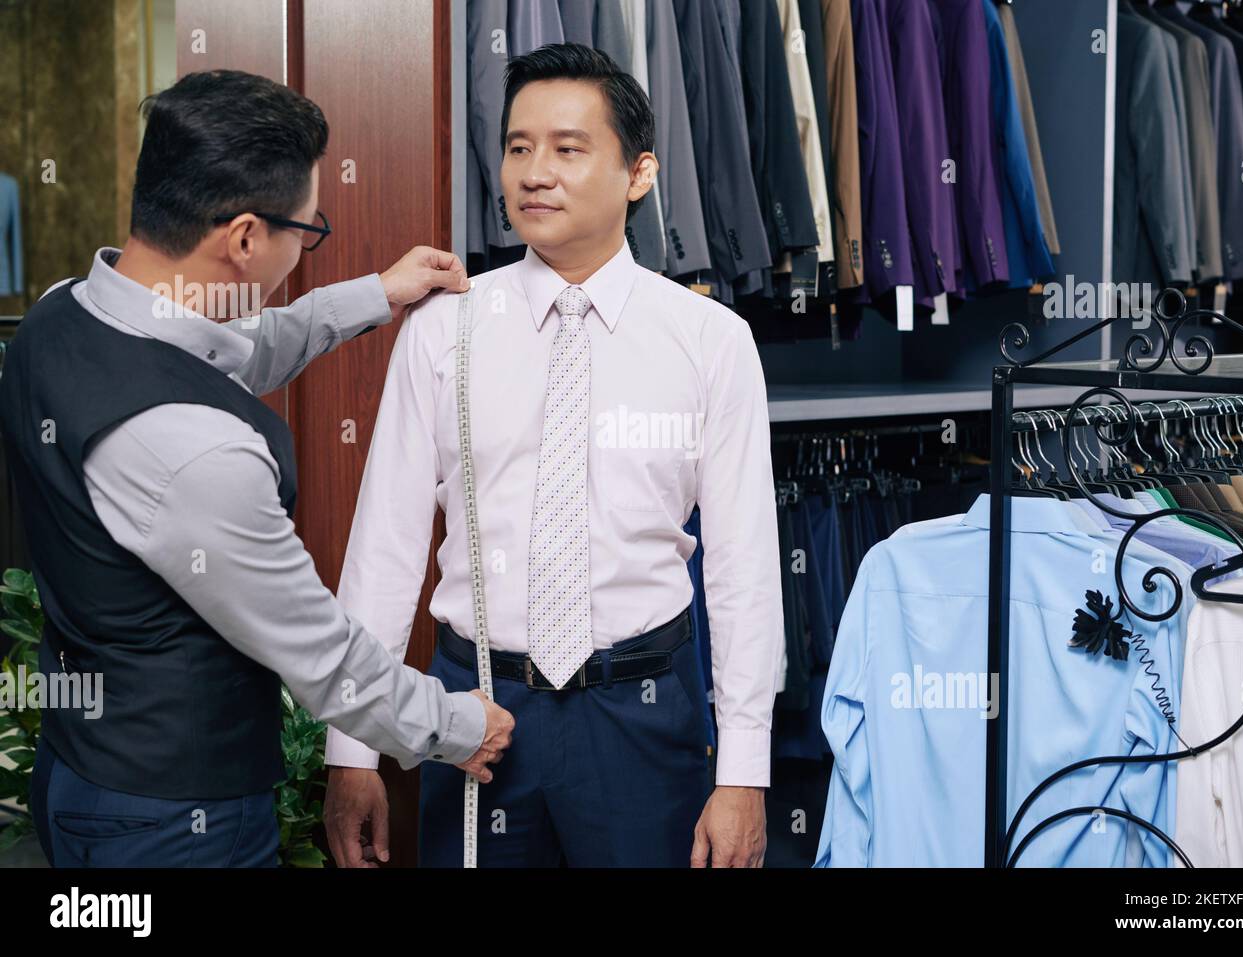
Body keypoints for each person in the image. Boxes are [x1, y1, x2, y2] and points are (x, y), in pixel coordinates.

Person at [0, 69, 513, 868]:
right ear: (244, 237)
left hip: (81, 778)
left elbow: (225, 349)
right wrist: (458, 725)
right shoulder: (196, 456)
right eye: (306, 232)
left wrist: (375, 294)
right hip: (176, 824)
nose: (304, 248)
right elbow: (320, 653)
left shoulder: (62, 314)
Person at [323, 44, 783, 868]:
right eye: (518, 147)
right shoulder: (444, 330)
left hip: (642, 715)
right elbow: (385, 548)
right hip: (477, 713)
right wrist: (352, 750)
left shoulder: (712, 341)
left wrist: (745, 772)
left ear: (638, 174)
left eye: (568, 149)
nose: (535, 172)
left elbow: (745, 568)